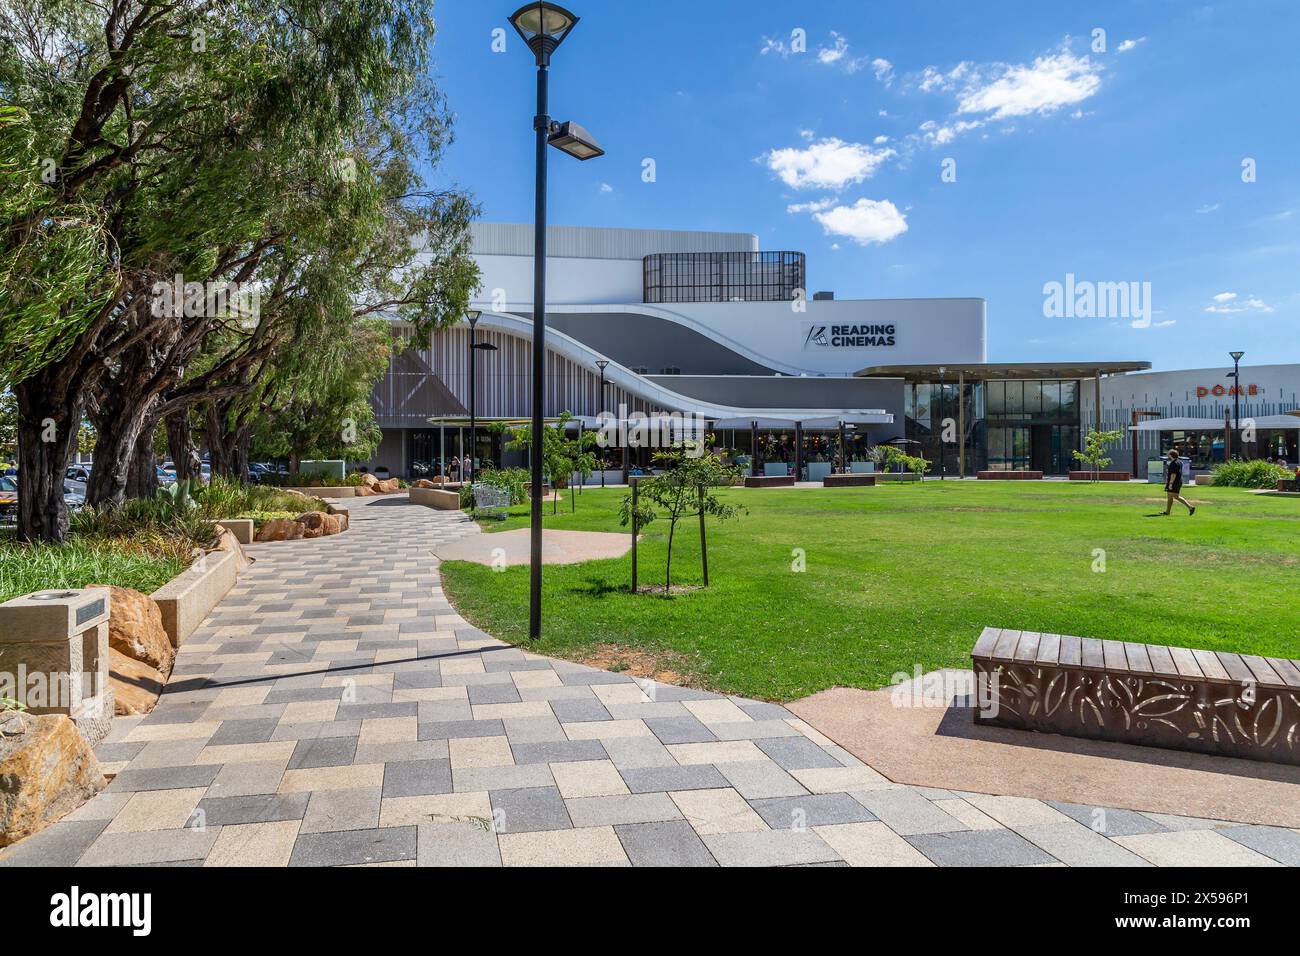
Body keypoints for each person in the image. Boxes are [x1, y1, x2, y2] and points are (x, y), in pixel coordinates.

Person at [1163, 449, 1194, 516]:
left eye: (1168, 454)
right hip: (1178, 481)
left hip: (1174, 482)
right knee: (1170, 496)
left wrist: (1170, 484)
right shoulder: (1179, 462)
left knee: (1175, 496)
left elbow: (1173, 474)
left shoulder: (1174, 463)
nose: (1168, 456)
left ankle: (1190, 507)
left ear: (1171, 455)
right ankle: (1167, 512)